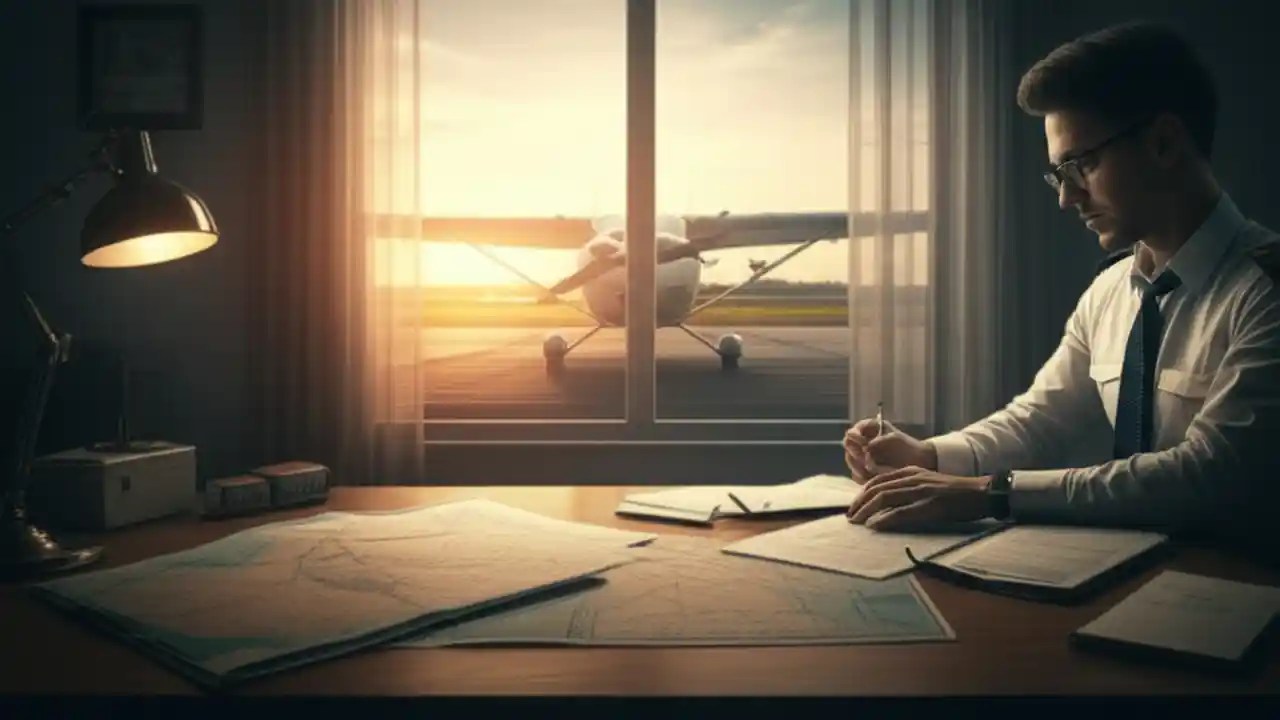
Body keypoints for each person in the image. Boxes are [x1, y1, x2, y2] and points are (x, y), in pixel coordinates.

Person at [843, 21, 1280, 550]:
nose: (1066, 198)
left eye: (1082, 166)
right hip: (1131, 580)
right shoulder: (1112, 291)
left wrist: (990, 493)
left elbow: (1207, 476)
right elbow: (1040, 420)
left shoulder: (1264, 291)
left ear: (1164, 142)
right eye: (1059, 174)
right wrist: (928, 458)